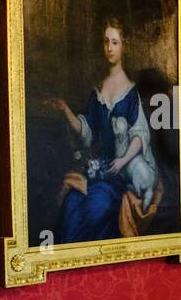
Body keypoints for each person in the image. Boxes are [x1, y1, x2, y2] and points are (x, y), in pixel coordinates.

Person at [48, 15, 161, 243]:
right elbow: (86, 131)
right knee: (71, 203)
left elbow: (140, 134)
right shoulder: (97, 90)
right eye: (106, 42)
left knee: (97, 207)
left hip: (118, 175)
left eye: (115, 42)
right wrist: (66, 110)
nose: (109, 48)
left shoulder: (130, 93)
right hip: (96, 172)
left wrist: (121, 161)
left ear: (123, 46)